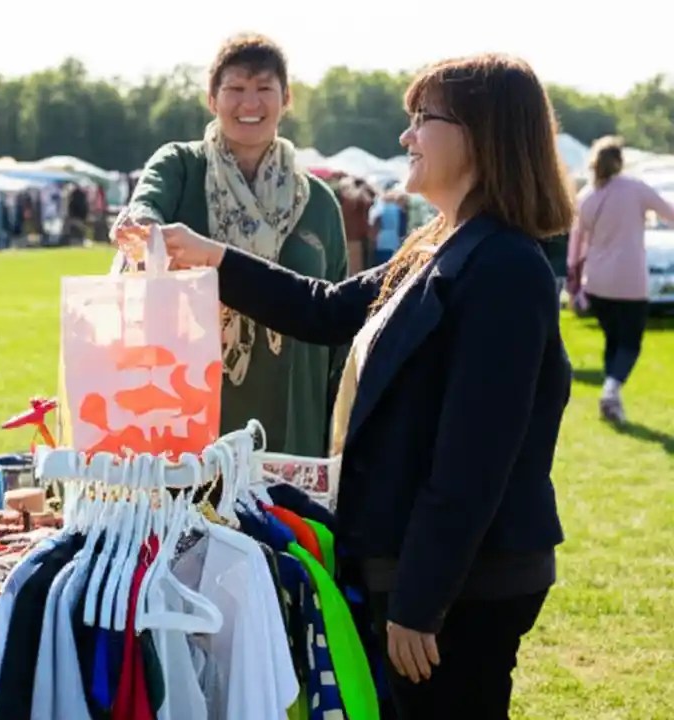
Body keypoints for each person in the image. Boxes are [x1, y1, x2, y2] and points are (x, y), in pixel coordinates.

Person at [153, 53, 574, 719]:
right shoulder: (439, 245)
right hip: (414, 568)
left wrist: (420, 601)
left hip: (464, 585)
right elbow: (323, 308)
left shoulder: (504, 268)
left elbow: (474, 459)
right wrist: (212, 257)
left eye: (422, 120)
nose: (406, 137)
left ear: (480, 133)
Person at [114, 32, 349, 457]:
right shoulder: (182, 167)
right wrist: (142, 226)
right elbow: (146, 205)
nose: (250, 104)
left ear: (286, 98)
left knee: (292, 523)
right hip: (193, 414)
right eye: (235, 89)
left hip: (296, 419)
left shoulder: (317, 202)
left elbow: (340, 333)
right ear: (212, 98)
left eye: (264, 90)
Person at [567, 135, 674, 423]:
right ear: (620, 161)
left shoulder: (587, 196)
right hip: (630, 280)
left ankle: (611, 399)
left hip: (597, 282)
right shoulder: (635, 189)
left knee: (613, 340)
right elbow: (670, 213)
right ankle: (611, 390)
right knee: (630, 343)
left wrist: (573, 281)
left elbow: (576, 245)